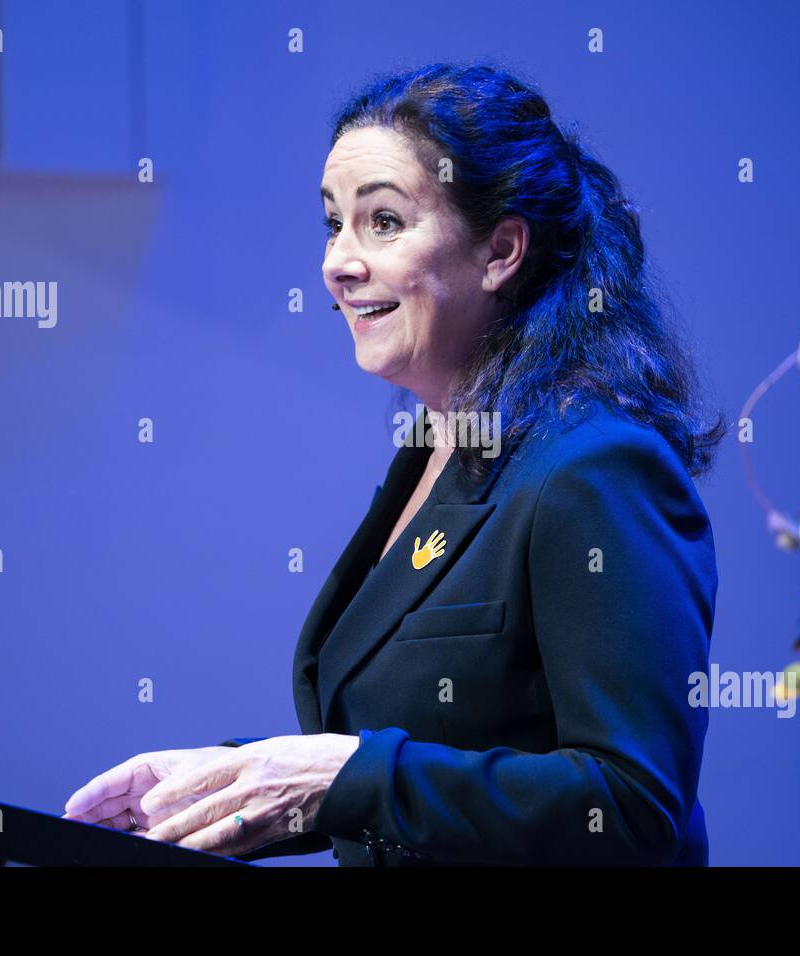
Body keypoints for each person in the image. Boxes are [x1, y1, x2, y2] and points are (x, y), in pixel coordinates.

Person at [63, 60, 724, 866]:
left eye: (383, 221)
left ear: (501, 250)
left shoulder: (594, 466)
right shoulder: (435, 447)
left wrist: (341, 779)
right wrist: (235, 781)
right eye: (333, 223)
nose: (338, 262)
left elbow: (630, 805)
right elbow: (410, 746)